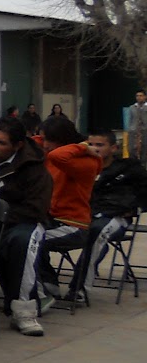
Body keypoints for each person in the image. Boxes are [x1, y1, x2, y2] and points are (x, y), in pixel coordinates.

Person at [0, 117, 52, 335]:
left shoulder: (34, 168)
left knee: (23, 242)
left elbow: (36, 209)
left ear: (17, 146)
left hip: (21, 222)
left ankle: (25, 313)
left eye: (1, 143)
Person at [73, 129, 147, 289]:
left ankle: (79, 288)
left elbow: (144, 191)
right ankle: (48, 283)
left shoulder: (129, 168)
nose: (95, 148)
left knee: (97, 231)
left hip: (115, 217)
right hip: (83, 215)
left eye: (100, 145)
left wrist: (135, 207)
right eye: (90, 145)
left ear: (113, 148)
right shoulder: (82, 167)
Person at [38, 114, 98, 301]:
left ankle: (47, 287)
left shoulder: (85, 161)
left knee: (29, 242)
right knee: (17, 235)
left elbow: (58, 155)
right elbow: (29, 141)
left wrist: (82, 146)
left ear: (64, 140)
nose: (44, 144)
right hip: (51, 220)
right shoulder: (51, 153)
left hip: (74, 226)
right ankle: (48, 284)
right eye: (44, 139)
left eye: (49, 139)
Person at [129, 90, 147, 160]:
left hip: (145, 131)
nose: (139, 97)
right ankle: (133, 166)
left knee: (144, 150)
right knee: (131, 150)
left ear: (145, 97)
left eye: (141, 96)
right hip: (134, 132)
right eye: (137, 96)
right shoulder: (132, 107)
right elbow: (130, 119)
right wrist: (130, 129)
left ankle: (143, 167)